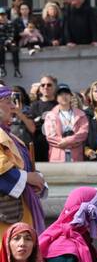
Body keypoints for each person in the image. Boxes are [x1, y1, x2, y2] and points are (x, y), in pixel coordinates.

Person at [0, 83, 46, 230]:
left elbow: (26, 167)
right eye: (8, 102)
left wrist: (37, 181)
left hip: (22, 212)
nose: (14, 107)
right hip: (6, 217)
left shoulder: (13, 137)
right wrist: (28, 178)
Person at [41, 84, 89, 163]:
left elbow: (83, 133)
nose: (64, 96)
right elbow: (50, 137)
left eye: (66, 94)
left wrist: (67, 141)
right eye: (60, 94)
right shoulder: (50, 115)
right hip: (57, 156)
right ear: (56, 97)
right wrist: (71, 142)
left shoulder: (81, 114)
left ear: (71, 96)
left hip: (76, 156)